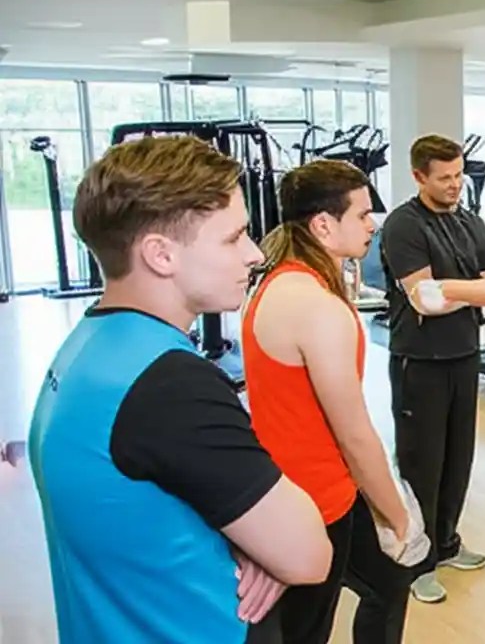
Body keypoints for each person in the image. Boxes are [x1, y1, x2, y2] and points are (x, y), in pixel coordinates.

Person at [27, 135, 333, 643]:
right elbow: (308, 555)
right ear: (161, 255)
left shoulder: (88, 346)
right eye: (234, 238)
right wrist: (265, 545)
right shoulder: (170, 385)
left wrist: (253, 542)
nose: (255, 254)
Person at [241, 159, 430, 643]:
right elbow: (353, 431)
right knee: (307, 630)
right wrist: (398, 516)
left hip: (299, 489)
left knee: (388, 583)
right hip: (317, 505)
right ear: (324, 224)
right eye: (363, 215)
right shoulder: (317, 308)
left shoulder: (278, 282)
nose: (373, 224)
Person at [380, 133, 485, 603]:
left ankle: (447, 542)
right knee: (422, 463)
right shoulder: (403, 226)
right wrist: (471, 290)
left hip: (463, 354)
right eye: (445, 178)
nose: (455, 185)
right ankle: (416, 560)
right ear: (419, 177)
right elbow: (424, 298)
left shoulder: (468, 221)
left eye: (458, 175)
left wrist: (460, 289)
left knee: (459, 459)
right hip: (421, 360)